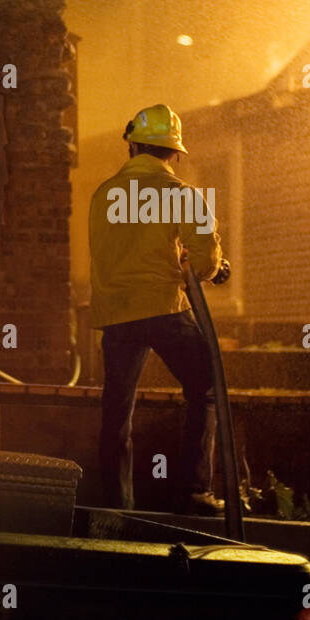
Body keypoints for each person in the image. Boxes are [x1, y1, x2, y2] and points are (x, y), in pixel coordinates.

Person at [89, 104, 231, 515]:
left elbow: (110, 255)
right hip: (165, 307)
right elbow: (204, 264)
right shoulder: (179, 195)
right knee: (205, 387)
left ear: (132, 146)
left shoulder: (104, 195)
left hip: (116, 314)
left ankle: (116, 504)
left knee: (116, 408)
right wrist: (215, 268)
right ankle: (194, 491)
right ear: (176, 153)